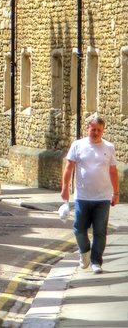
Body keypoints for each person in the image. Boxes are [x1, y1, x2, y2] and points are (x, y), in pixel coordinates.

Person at [61, 113, 119, 274]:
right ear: (87, 129)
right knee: (79, 229)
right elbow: (69, 168)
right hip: (82, 196)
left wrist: (116, 193)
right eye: (93, 129)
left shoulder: (109, 147)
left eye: (99, 130)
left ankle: (96, 262)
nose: (96, 133)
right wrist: (65, 187)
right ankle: (84, 251)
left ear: (103, 131)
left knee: (100, 231)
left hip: (103, 197)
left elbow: (113, 171)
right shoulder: (78, 145)